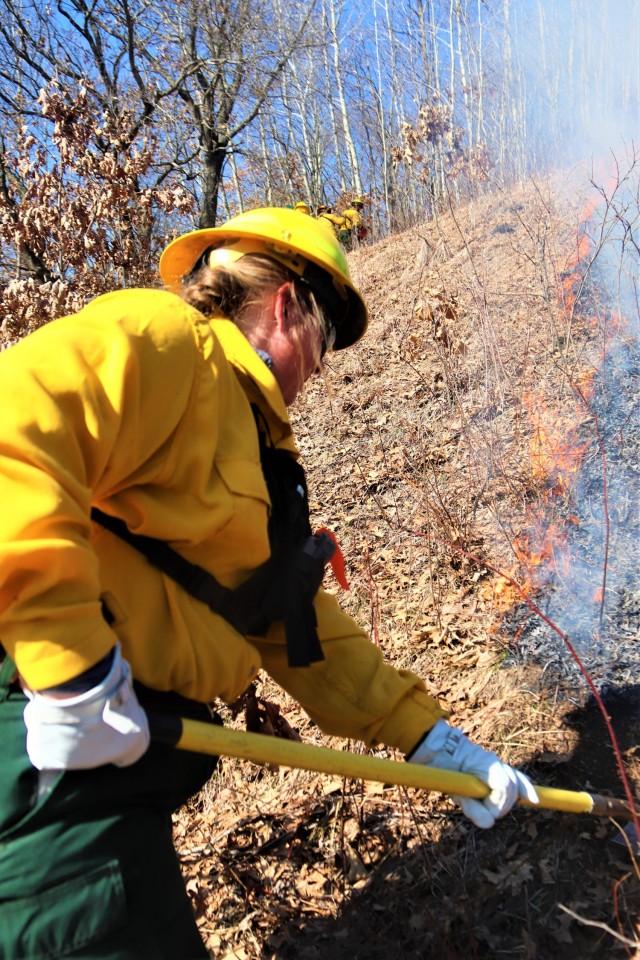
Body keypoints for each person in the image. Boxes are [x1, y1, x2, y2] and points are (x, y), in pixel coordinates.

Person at [0, 207, 538, 959]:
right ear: (285, 305)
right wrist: (70, 667)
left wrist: (434, 743)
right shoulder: (172, 346)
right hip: (40, 748)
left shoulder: (253, 446)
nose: (320, 370)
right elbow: (13, 430)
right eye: (324, 340)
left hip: (107, 763)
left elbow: (289, 626)